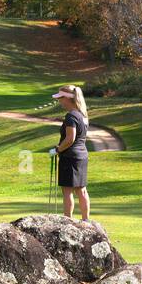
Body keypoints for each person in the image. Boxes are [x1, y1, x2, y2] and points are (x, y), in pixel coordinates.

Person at [52, 84, 90, 221]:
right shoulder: (82, 115)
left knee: (67, 190)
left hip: (70, 157)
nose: (59, 101)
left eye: (60, 98)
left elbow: (70, 139)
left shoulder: (70, 116)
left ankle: (67, 221)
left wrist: (58, 149)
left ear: (67, 99)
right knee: (81, 190)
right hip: (82, 156)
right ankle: (86, 221)